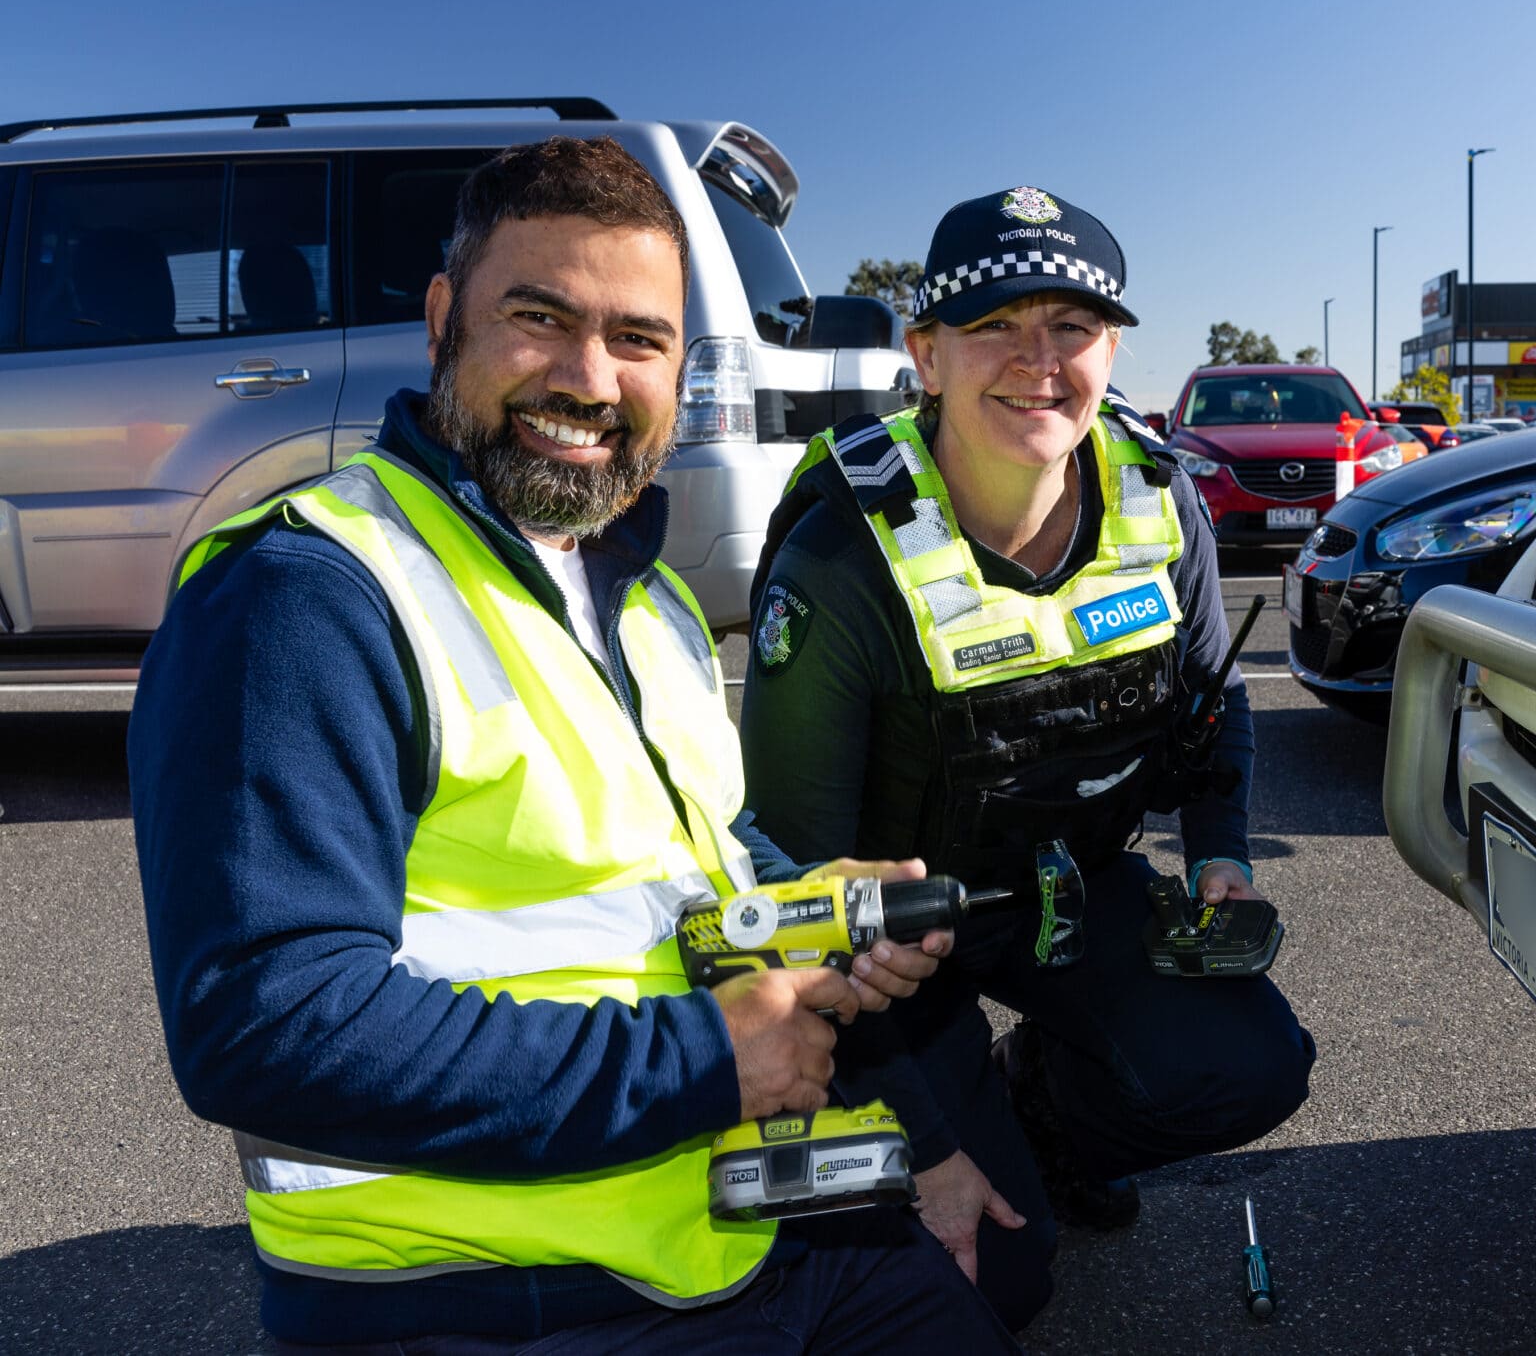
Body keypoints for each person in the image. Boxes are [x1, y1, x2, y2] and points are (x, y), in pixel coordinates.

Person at [129, 137, 1018, 1354]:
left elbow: (681, 860)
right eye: (539, 318)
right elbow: (266, 1026)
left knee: (1002, 1283)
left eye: (639, 340)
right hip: (487, 1288)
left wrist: (804, 904)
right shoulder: (310, 596)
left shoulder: (639, 597)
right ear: (445, 319)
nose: (590, 380)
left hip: (726, 1220)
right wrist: (702, 1063)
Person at [739, 186, 1316, 1329]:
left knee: (1248, 1065)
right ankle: (911, 1146)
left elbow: (1214, 702)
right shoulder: (843, 556)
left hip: (1067, 888)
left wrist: (1219, 855)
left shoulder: (1160, 502)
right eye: (993, 325)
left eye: (1070, 327)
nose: (1036, 361)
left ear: (1110, 348)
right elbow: (799, 886)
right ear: (926, 356)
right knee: (996, 1283)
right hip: (889, 952)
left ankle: (1035, 1113)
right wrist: (931, 1148)